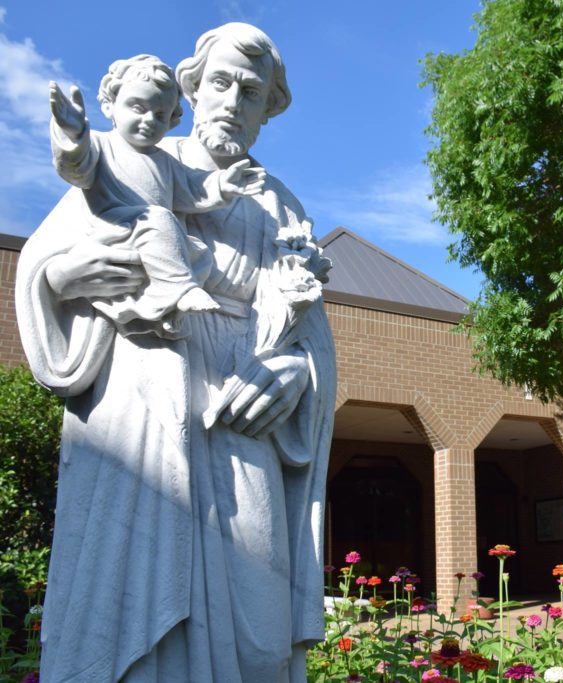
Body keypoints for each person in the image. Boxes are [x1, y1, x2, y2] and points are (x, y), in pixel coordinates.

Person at [16, 23, 335, 682]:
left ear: (267, 109)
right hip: (145, 411)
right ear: (192, 87)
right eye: (219, 82)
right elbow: (44, 266)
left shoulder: (281, 204)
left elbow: (312, 336)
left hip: (242, 422)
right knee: (141, 626)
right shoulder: (142, 160)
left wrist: (296, 375)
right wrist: (64, 279)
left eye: (250, 91)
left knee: (261, 636)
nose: (230, 100)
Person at [49, 54, 267, 334]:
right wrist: (73, 137)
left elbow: (194, 187)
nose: (149, 120)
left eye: (160, 115)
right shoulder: (101, 145)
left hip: (155, 240)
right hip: (117, 233)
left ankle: (163, 310)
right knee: (161, 219)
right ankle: (180, 290)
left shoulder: (165, 161)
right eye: (138, 108)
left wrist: (222, 185)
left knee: (193, 251)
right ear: (108, 106)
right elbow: (76, 169)